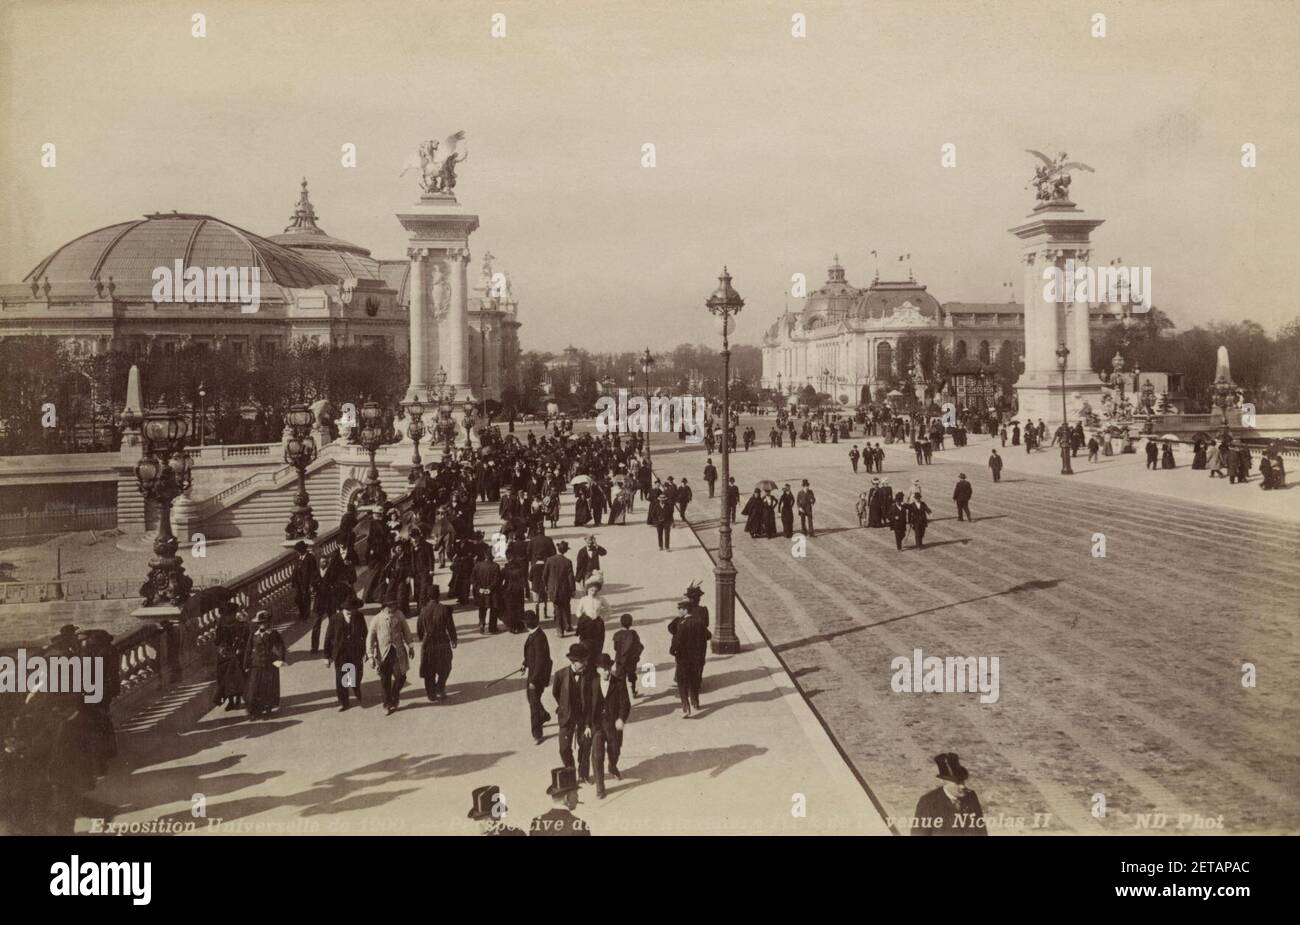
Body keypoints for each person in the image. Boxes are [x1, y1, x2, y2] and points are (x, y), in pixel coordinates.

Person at [912, 752, 986, 836]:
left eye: (962, 781)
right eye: (957, 783)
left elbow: (981, 830)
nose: (962, 786)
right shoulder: (928, 802)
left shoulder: (971, 796)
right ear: (944, 782)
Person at [590, 653, 631, 799]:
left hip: (613, 725)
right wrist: (588, 726)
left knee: (615, 750)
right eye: (603, 669)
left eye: (608, 668)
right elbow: (587, 706)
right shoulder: (592, 683)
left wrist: (621, 719)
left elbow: (625, 704)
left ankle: (612, 766)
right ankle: (600, 788)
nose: (607, 672)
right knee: (597, 755)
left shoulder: (619, 683)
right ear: (598, 669)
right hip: (598, 725)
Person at [551, 643, 594, 778]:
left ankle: (583, 774)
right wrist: (564, 707)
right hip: (566, 718)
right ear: (573, 662)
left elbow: (592, 699)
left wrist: (588, 724)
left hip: (584, 718)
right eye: (582, 661)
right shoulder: (560, 675)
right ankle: (570, 772)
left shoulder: (590, 675)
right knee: (564, 749)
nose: (586, 663)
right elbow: (556, 693)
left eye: (586, 660)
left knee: (586, 746)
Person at [367, 596, 414, 715]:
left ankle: (395, 694)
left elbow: (406, 630)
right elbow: (370, 638)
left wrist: (411, 646)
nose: (395, 606)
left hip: (398, 652)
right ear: (386, 606)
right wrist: (370, 655)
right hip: (383, 654)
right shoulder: (377, 619)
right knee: (385, 680)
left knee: (401, 677)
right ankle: (387, 704)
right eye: (392, 604)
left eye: (395, 604)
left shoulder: (399, 615)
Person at [324, 595, 369, 710]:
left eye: (353, 610)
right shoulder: (335, 618)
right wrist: (327, 657)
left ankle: (355, 687)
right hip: (340, 653)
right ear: (344, 609)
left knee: (357, 674)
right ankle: (344, 702)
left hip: (356, 651)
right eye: (348, 611)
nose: (351, 613)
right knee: (341, 677)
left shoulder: (359, 616)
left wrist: (366, 652)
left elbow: (365, 634)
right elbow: (328, 637)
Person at [670, 597, 711, 717]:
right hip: (696, 658)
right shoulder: (699, 622)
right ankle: (695, 701)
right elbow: (708, 635)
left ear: (685, 610)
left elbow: (677, 642)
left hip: (684, 658)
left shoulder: (682, 625)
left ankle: (686, 707)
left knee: (682, 682)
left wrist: (673, 651)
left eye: (680, 609)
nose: (679, 611)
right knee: (694, 680)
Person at [417, 584, 457, 701]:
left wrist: (422, 639)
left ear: (428, 596)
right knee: (445, 667)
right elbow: (450, 626)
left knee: (429, 668)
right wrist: (453, 639)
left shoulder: (423, 610)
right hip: (442, 641)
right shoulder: (444, 609)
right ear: (438, 596)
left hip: (428, 642)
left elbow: (419, 628)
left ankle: (431, 694)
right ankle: (440, 687)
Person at [243, 610, 286, 718]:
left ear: (268, 623)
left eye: (264, 622)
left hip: (269, 664)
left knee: (268, 689)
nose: (262, 625)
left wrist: (280, 660)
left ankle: (267, 710)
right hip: (256, 664)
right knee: (253, 689)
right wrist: (246, 665)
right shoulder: (254, 634)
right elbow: (248, 650)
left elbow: (280, 646)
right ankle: (254, 712)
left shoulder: (273, 633)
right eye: (260, 623)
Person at [530, 767, 590, 836]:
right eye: (576, 793)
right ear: (566, 798)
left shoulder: (536, 822)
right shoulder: (580, 826)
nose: (577, 797)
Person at [522, 611, 553, 744]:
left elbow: (540, 661)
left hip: (537, 676)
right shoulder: (533, 634)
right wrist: (525, 663)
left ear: (527, 624)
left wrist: (534, 681)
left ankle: (537, 734)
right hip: (533, 672)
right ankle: (544, 715)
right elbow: (531, 654)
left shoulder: (539, 637)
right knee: (531, 699)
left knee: (534, 705)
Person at [212, 601, 249, 711]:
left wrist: (240, 649)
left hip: (236, 655)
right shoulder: (221, 626)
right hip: (223, 656)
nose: (226, 617)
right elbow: (217, 642)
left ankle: (237, 700)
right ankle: (230, 701)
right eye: (224, 615)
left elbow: (245, 640)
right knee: (224, 680)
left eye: (229, 614)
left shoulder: (240, 626)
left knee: (236, 678)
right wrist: (216, 631)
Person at [544, 541, 577, 636]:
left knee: (557, 608)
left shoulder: (549, 560)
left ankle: (559, 630)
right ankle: (567, 625)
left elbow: (545, 575)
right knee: (566, 606)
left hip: (553, 589)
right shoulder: (568, 562)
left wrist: (546, 585)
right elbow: (571, 577)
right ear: (566, 551)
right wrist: (573, 589)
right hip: (565, 589)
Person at [612, 613, 644, 698]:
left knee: (620, 679)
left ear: (620, 623)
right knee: (632, 675)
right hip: (631, 660)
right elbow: (638, 646)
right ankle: (633, 691)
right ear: (631, 623)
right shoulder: (633, 634)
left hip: (620, 661)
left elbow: (615, 648)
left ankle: (621, 695)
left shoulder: (617, 634)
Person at [575, 579, 610, 657]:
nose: (593, 592)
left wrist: (604, 618)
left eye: (595, 591)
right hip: (586, 624)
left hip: (597, 625)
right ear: (587, 590)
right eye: (591, 590)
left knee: (598, 643)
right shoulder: (583, 599)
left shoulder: (601, 599)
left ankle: (596, 659)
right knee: (585, 643)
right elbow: (578, 611)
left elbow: (609, 609)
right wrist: (581, 618)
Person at [470, 549, 502, 633]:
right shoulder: (495, 566)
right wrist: (489, 588)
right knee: (493, 609)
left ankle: (482, 623)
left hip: (480, 592)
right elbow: (497, 580)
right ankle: (492, 628)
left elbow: (473, 579)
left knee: (482, 608)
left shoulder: (477, 565)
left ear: (485, 556)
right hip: (492, 592)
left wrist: (479, 588)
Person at [290, 540, 316, 620]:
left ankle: (305, 614)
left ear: (303, 550)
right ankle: (302, 613)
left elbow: (313, 572)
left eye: (299, 550)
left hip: (306, 582)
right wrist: (293, 581)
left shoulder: (310, 558)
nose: (298, 552)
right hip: (298, 583)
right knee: (298, 598)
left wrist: (312, 584)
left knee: (306, 599)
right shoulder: (298, 558)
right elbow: (295, 570)